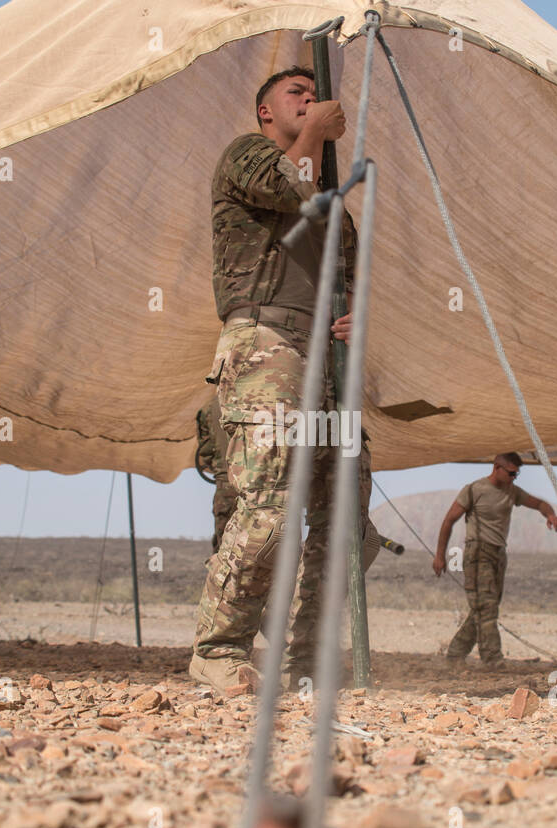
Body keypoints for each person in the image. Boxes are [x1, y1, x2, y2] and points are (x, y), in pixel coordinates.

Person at [191, 66, 357, 694]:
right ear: (266, 112)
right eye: (297, 95)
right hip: (266, 344)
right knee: (267, 504)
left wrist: (352, 322)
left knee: (344, 514)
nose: (310, 100)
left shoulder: (335, 212)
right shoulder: (248, 155)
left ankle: (304, 658)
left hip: (323, 359)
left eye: (315, 97)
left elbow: (351, 280)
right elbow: (290, 187)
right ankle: (219, 647)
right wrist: (314, 132)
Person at [433, 453, 557, 667]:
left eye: (516, 474)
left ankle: (455, 654)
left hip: (499, 553)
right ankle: (492, 658)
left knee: (484, 607)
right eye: (511, 473)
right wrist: (439, 555)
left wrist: (550, 515)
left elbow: (538, 503)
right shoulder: (474, 490)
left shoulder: (512, 492)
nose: (514, 477)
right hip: (477, 552)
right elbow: (448, 521)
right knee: (487, 607)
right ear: (497, 468)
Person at [195, 392, 237, 553]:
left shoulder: (210, 408)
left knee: (225, 550)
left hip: (227, 487)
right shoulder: (265, 401)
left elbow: (205, 452)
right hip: (265, 490)